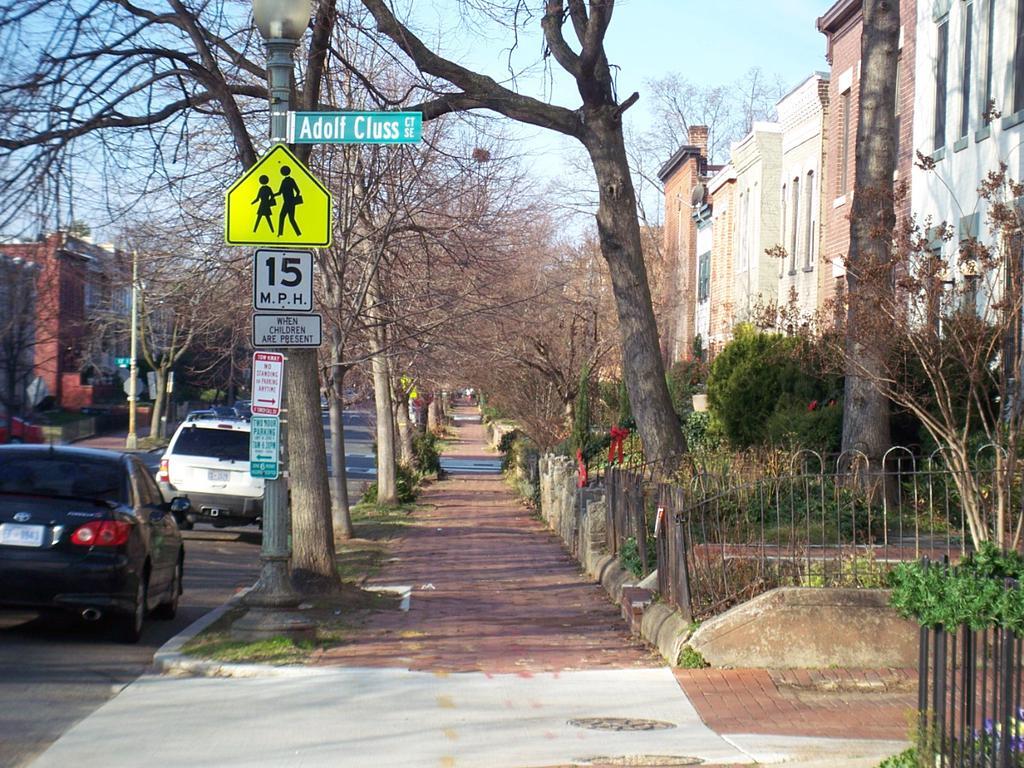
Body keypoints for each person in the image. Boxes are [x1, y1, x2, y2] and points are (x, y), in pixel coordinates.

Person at [276, 166, 302, 237]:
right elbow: (297, 191)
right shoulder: (287, 181)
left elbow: (280, 192)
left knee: (283, 217)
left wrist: (273, 195)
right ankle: (298, 233)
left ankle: (281, 233)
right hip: (289, 202)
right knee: (290, 218)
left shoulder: (287, 181)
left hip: (289, 202)